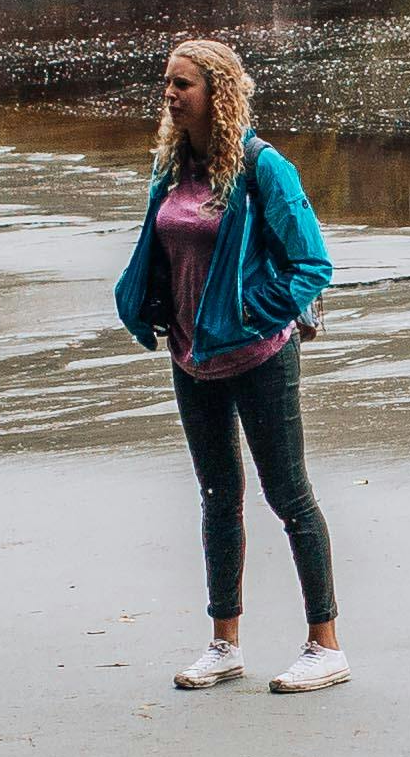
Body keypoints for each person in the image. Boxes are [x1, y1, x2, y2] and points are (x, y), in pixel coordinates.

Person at [114, 38, 347, 693]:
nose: (169, 94)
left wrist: (249, 312)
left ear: (216, 93)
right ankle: (224, 644)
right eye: (166, 82)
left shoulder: (261, 167)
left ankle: (325, 644)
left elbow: (312, 265)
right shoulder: (172, 167)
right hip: (192, 359)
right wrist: (151, 302)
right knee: (218, 498)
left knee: (289, 496)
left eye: (182, 84)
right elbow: (161, 249)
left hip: (261, 358)